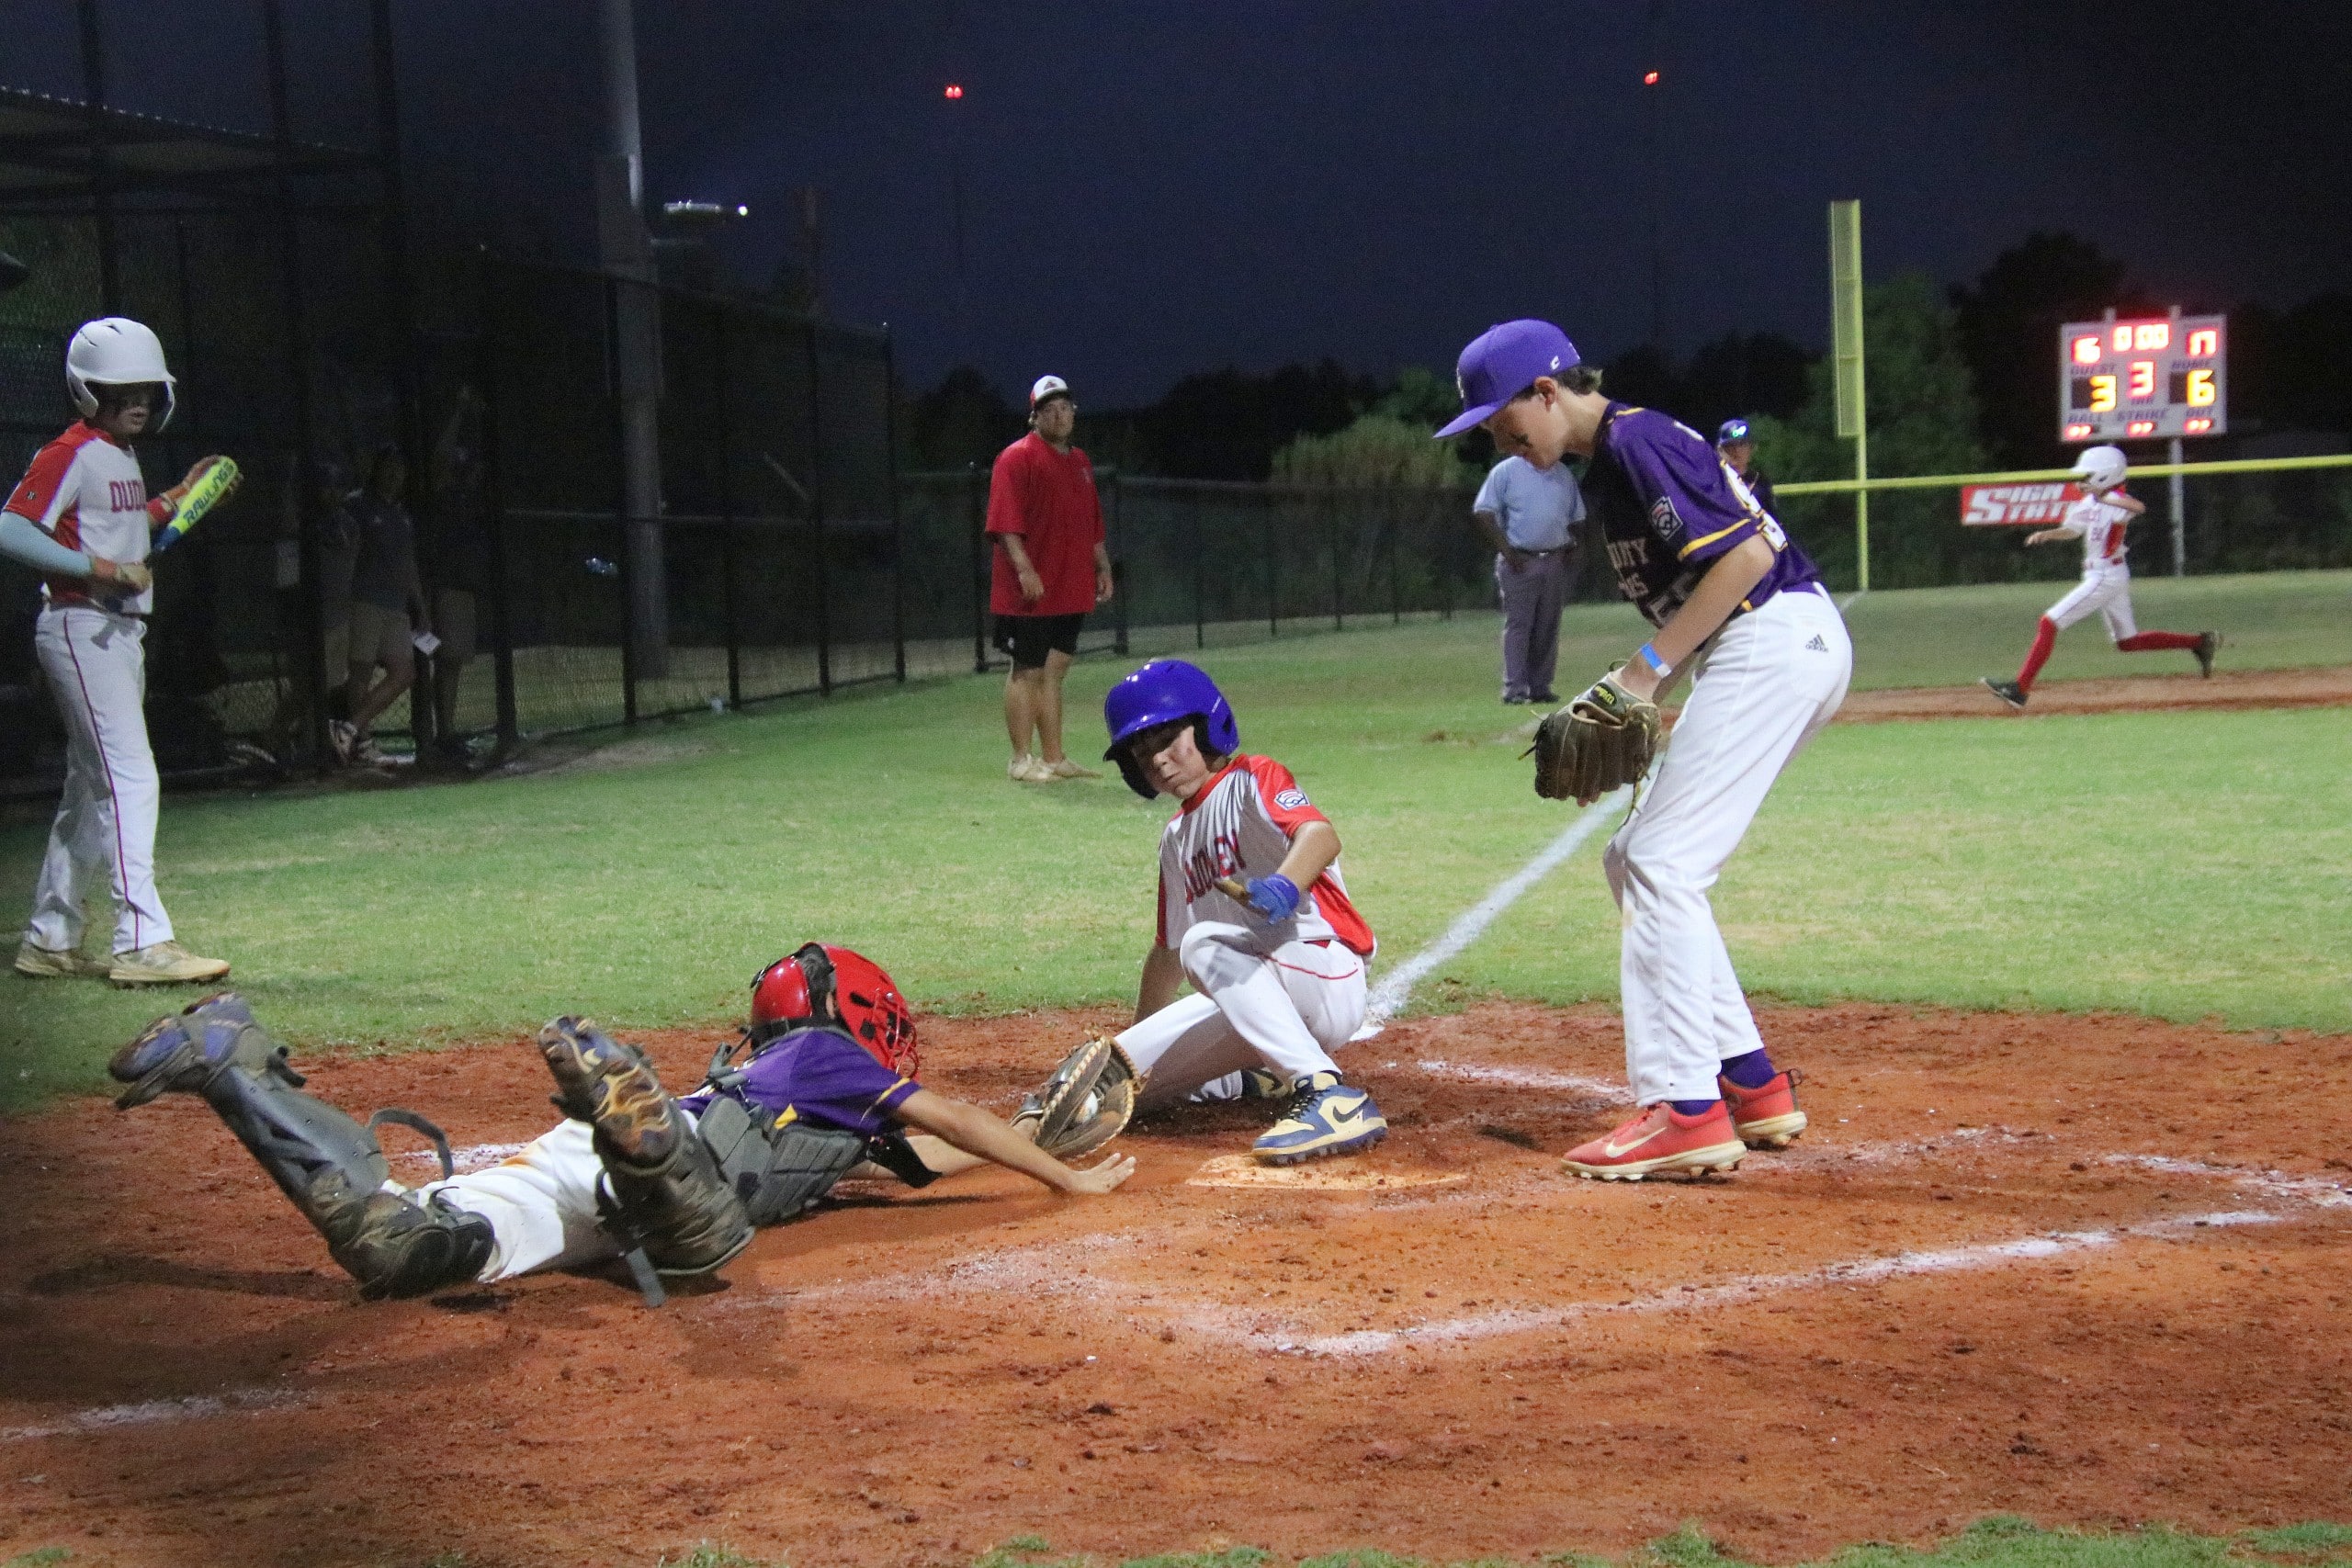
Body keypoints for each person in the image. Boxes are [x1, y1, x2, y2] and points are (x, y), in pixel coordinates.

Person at [106, 943, 1135, 1301]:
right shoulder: (825, 1058)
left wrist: (1035, 1135)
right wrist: (1068, 1180)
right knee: (704, 1236)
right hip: (675, 1175)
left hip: (579, 1179)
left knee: (393, 1250)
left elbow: (923, 1154)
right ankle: (630, 1124)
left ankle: (233, 1066)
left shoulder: (792, 1078)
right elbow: (945, 1115)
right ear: (865, 1021)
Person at [1438, 319, 1848, 1180]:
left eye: (1501, 419)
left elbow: (1742, 561)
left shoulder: (1635, 438)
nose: (1496, 439)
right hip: (1766, 646)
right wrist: (1649, 692)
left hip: (1774, 637)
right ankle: (1751, 1082)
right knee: (1637, 859)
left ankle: (1683, 1108)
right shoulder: (1610, 462)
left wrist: (1644, 675)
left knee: (1661, 862)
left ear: (1546, 390)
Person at [3, 317, 231, 986]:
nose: (136, 400)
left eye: (145, 389)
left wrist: (173, 501)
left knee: (87, 786)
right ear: (85, 391)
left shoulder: (116, 452)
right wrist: (97, 568)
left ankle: (49, 936)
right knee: (131, 777)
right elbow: (13, 528)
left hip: (115, 630)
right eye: (119, 388)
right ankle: (140, 941)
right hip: (82, 624)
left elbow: (124, 524)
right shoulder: (69, 450)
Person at [1097, 659, 1385, 1165]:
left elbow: (1319, 835)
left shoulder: (1253, 777)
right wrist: (1132, 1045)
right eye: (1142, 753)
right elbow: (1165, 956)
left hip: (1321, 973)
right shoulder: (1174, 839)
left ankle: (1330, 1097)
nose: (1158, 761)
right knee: (1110, 1087)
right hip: (1256, 996)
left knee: (1204, 943)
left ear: (1205, 725)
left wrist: (1283, 885)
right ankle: (1249, 1079)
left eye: (1167, 739)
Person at [1981, 446, 2217, 710]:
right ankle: (2200, 642)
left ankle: (2019, 690)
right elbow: (2073, 530)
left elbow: (2138, 507)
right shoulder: (2090, 502)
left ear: (2105, 475)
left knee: (2048, 623)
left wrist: (2105, 498)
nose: (2082, 481)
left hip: (2105, 575)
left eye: (2088, 475)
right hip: (2106, 573)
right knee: (2128, 642)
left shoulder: (2116, 501)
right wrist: (2049, 534)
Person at [988, 375, 1114, 784]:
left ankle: (1055, 757)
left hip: (1069, 586)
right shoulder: (1016, 458)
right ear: (1035, 416)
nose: (1060, 415)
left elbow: (1091, 523)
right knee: (1027, 669)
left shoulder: (1080, 462)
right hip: (1030, 589)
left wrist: (1102, 565)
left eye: (1066, 408)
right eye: (1050, 409)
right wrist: (1024, 569)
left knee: (1055, 670)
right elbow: (1006, 525)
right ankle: (1020, 760)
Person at [333, 441, 430, 767]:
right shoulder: (357, 506)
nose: (394, 473)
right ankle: (361, 744)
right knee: (360, 672)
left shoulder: (401, 514)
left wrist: (421, 609)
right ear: (376, 469)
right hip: (364, 602)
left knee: (405, 672)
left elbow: (409, 565)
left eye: (399, 468)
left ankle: (349, 729)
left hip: (396, 606)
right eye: (388, 465)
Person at [1471, 451, 1586, 704]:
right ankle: (1514, 689)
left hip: (1555, 557)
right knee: (1519, 626)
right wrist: (1506, 551)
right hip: (1520, 561)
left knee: (1548, 624)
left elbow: (1577, 516)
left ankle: (1540, 686)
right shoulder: (1506, 472)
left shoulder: (1563, 474)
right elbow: (1484, 511)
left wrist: (1575, 544)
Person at [424, 387, 492, 764]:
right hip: (443, 586)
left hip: (463, 586)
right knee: (442, 659)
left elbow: (479, 461)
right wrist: (461, 410)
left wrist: (476, 418)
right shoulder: (442, 494)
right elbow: (440, 459)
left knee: (452, 662)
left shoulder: (469, 499)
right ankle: (437, 734)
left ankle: (444, 732)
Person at [1715, 419, 1778, 523]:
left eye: (1742, 444)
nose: (1736, 450)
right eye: (1729, 446)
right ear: (1720, 450)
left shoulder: (1761, 481)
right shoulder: (1715, 481)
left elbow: (1773, 519)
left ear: (1752, 448)